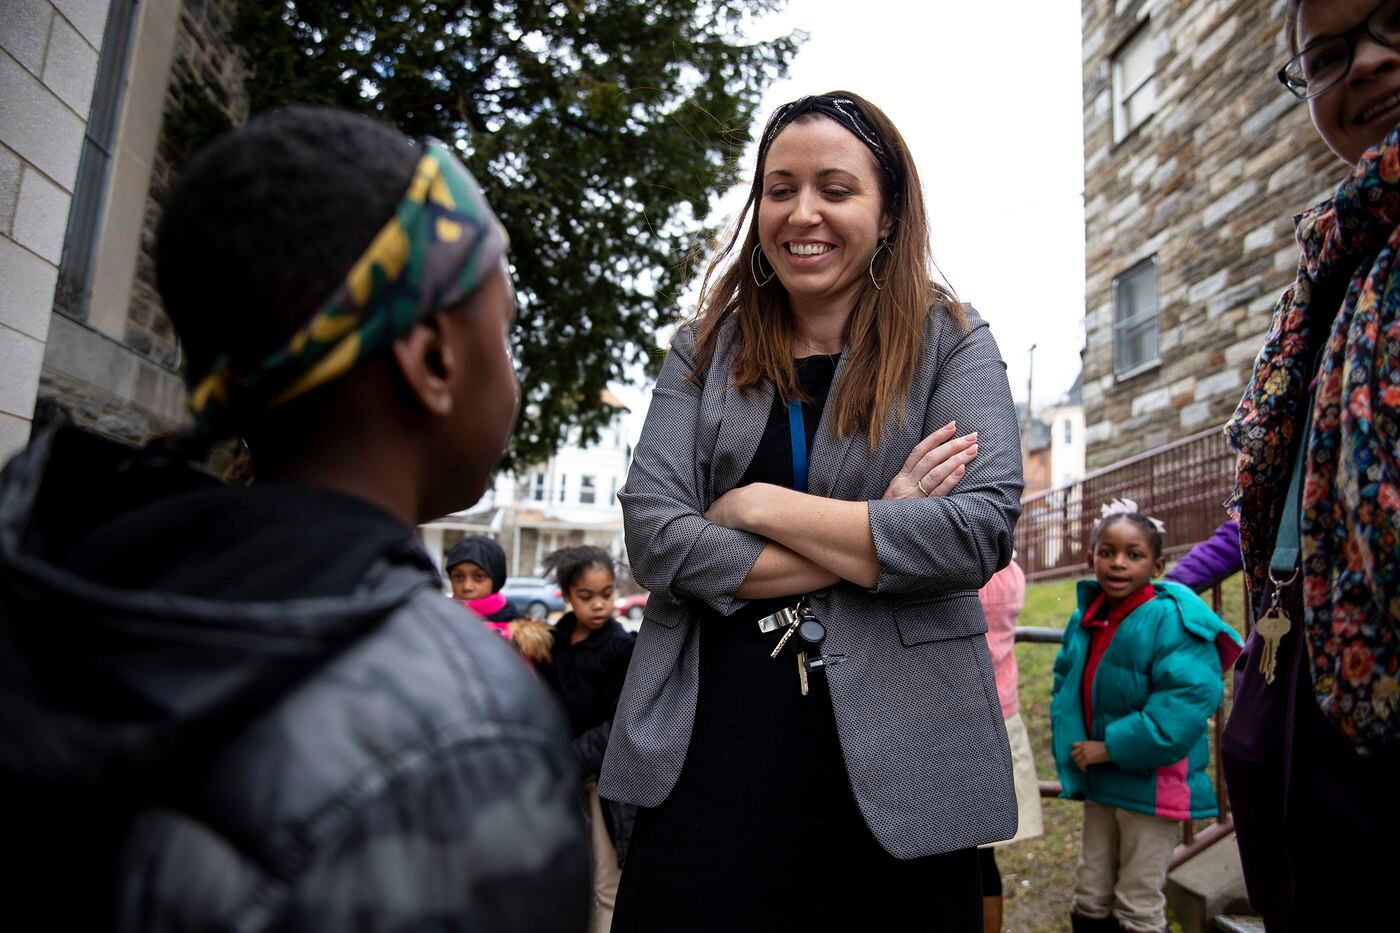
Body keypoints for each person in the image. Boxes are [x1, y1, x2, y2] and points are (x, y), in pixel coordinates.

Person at [0, 106, 590, 930]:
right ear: (433, 358)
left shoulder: (48, 580)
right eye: (507, 330)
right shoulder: (472, 733)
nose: (516, 375)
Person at [600, 91, 1021, 932]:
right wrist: (883, 525)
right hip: (709, 758)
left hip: (908, 757)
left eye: (835, 188)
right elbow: (655, 536)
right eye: (779, 187)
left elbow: (975, 530)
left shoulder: (955, 342)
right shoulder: (703, 349)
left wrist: (757, 505)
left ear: (890, 208)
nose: (802, 213)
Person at [1222, 3, 1400, 927]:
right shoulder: (1336, 257)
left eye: (1391, 24)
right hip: (1295, 679)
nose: (1366, 65)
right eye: (1327, 56)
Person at [1050, 502, 1242, 933]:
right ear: (1091, 557)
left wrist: (1109, 746)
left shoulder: (1172, 618)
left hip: (1153, 785)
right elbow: (1066, 680)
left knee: (1138, 900)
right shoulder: (1090, 615)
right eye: (1107, 551)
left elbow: (1185, 701)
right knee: (1090, 889)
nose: (1118, 563)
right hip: (1102, 778)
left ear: (1157, 565)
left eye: (1133, 555)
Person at [536, 546, 637, 933]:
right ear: (565, 594)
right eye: (587, 596)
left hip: (601, 787)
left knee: (604, 886)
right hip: (555, 783)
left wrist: (568, 762)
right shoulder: (549, 645)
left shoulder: (622, 648)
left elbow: (619, 724)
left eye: (607, 593)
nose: (599, 605)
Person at [976, 558, 1045, 933]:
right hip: (1002, 716)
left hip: (959, 722)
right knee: (984, 859)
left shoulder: (970, 574)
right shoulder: (1011, 573)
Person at [445, 534, 553, 663]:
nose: (467, 586)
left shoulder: (522, 638)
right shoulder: (435, 621)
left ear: (495, 580)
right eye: (458, 576)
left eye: (478, 577)